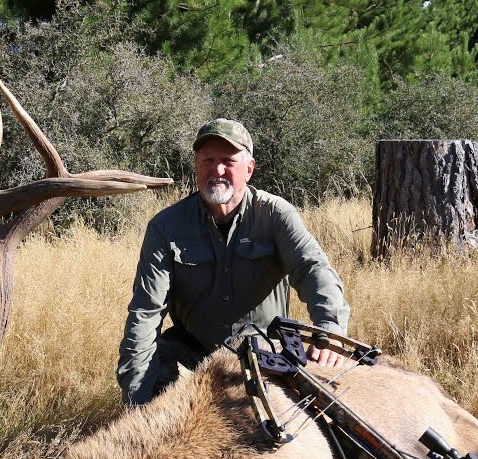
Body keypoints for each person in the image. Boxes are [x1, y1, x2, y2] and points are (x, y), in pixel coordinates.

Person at [116, 118, 352, 407]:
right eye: (207, 161)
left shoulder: (276, 215)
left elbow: (313, 270)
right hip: (194, 353)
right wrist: (135, 398)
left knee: (319, 413)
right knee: (157, 396)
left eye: (228, 161)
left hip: (265, 349)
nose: (217, 170)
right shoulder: (165, 226)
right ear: (196, 166)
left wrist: (330, 332)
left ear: (249, 169)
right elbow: (146, 310)